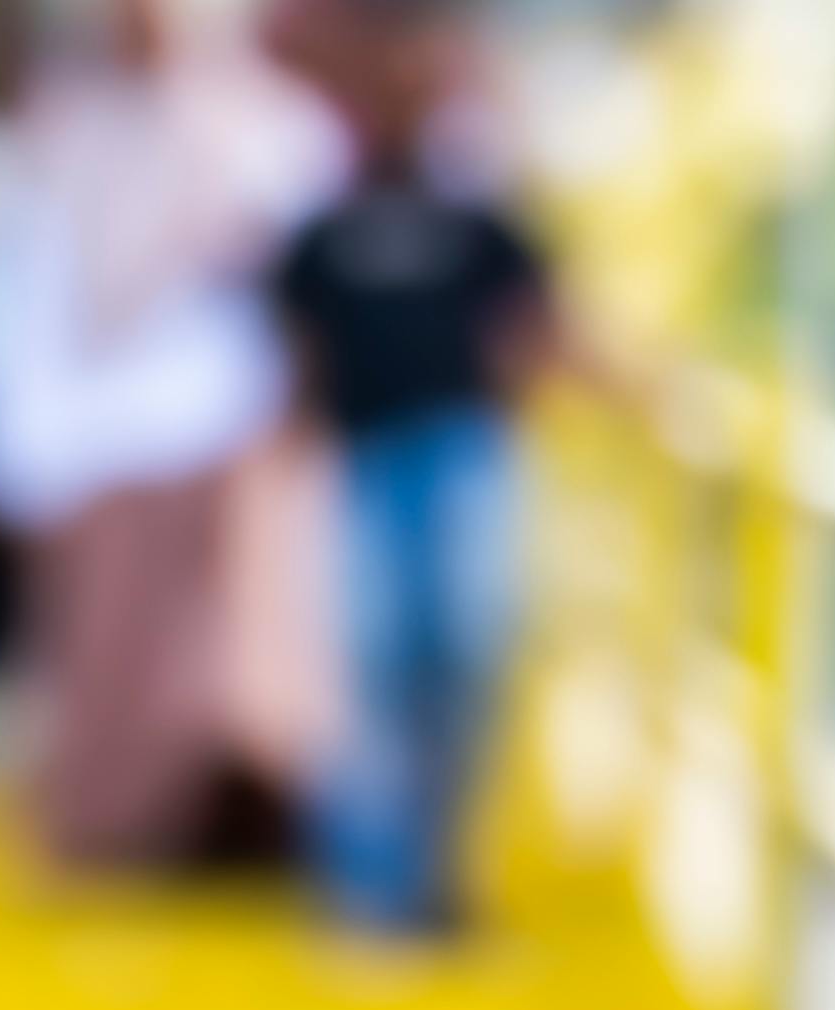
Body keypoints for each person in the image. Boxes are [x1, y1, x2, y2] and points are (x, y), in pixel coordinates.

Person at [0, 0, 346, 873]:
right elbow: (32, 286)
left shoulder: (257, 124)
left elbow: (291, 262)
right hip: (97, 436)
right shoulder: (69, 128)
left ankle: (232, 829)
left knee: (229, 653)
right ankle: (117, 832)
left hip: (221, 425)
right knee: (108, 648)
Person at [269, 10, 556, 937]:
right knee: (379, 665)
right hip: (368, 461)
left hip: (465, 450)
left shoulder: (477, 216)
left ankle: (438, 870)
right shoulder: (322, 226)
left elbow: (538, 324)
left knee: (468, 652)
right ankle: (376, 882)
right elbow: (294, 351)